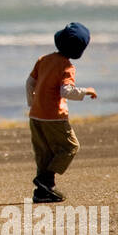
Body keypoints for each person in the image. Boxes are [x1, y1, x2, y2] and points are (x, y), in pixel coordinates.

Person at [25, 22, 97, 203]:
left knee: (43, 152)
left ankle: (43, 192)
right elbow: (66, 91)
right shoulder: (66, 67)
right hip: (54, 117)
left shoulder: (44, 60)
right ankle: (45, 179)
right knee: (70, 147)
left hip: (35, 115)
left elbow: (29, 83)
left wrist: (33, 103)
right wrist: (86, 91)